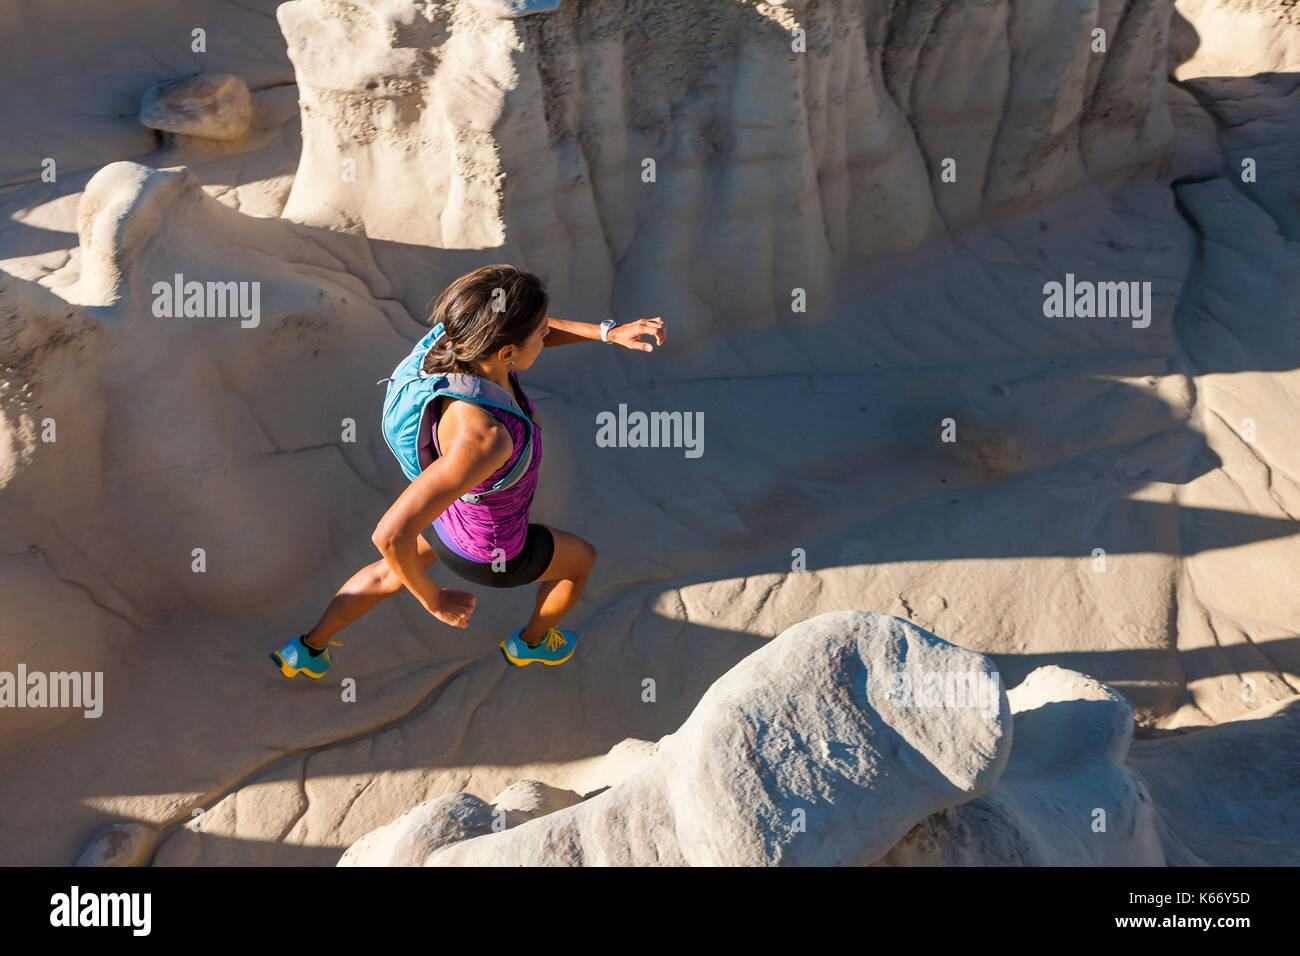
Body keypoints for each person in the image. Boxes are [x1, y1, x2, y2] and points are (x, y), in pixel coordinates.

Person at [270, 264, 666, 678]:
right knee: (581, 560)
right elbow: (389, 535)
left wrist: (607, 333)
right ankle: (530, 644)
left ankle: (306, 649)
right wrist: (433, 600)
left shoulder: (454, 341)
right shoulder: (485, 439)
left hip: (445, 518)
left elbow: (522, 331)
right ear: (507, 353)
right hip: (489, 551)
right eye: (540, 333)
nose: (547, 334)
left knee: (388, 574)